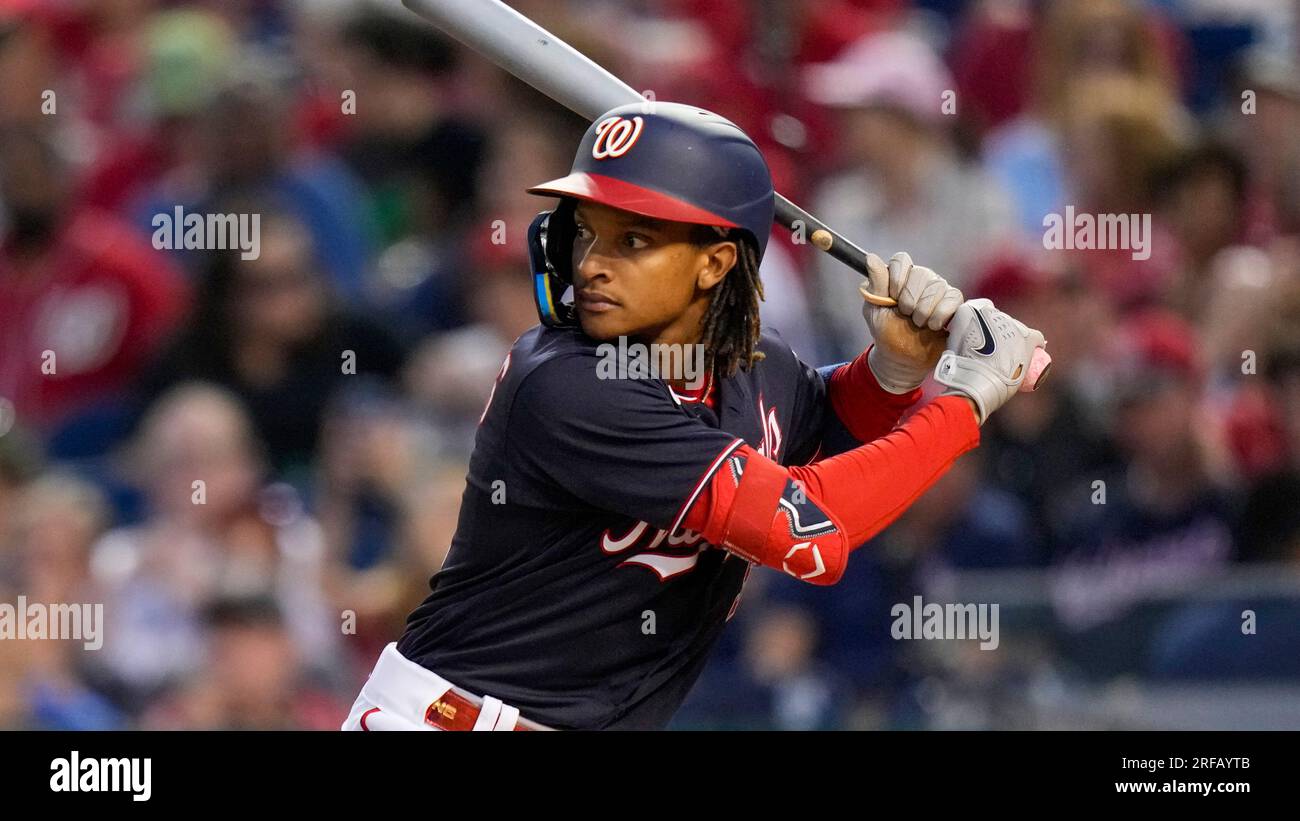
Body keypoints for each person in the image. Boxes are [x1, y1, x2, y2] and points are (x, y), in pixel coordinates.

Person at [343, 102, 1047, 731]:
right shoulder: (567, 381)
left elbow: (823, 426)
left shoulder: (754, 362)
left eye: (632, 241)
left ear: (714, 264)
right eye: (586, 232)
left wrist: (890, 373)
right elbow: (812, 530)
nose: (590, 264)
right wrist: (964, 401)